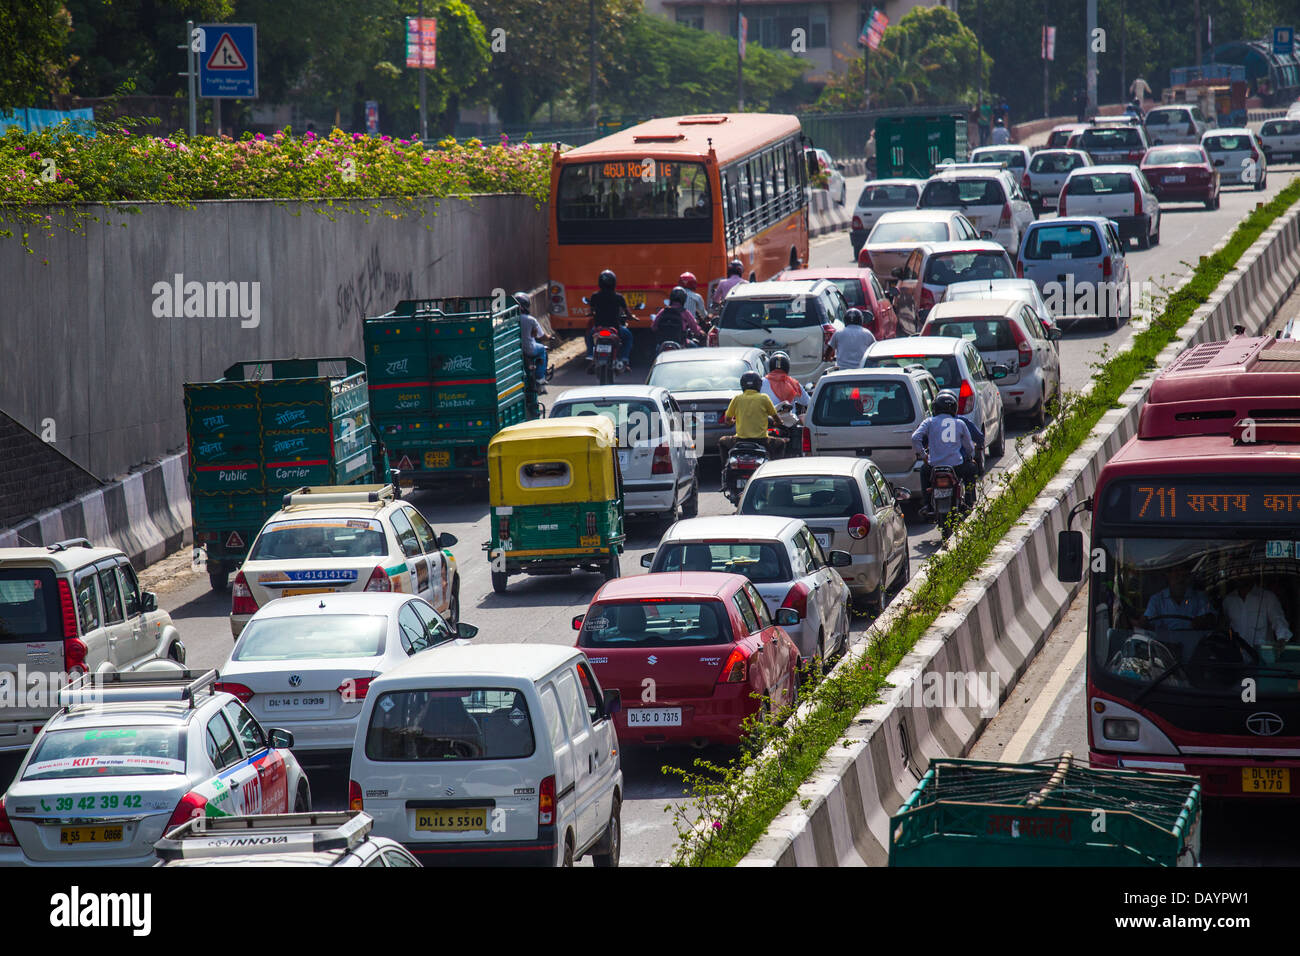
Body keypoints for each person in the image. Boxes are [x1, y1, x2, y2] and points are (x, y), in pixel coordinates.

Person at [910, 389, 977, 509]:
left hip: (934, 466)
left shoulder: (929, 422)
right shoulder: (960, 423)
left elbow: (915, 437)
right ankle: (968, 501)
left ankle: (927, 503)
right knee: (971, 469)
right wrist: (970, 456)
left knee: (924, 471)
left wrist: (924, 455)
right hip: (956, 466)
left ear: (935, 408)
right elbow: (969, 447)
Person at [719, 371, 785, 459]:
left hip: (739, 440)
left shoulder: (737, 399)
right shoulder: (764, 398)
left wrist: (732, 422)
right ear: (759, 384)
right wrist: (778, 422)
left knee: (722, 441)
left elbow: (727, 420)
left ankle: (724, 467)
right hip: (762, 441)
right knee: (781, 443)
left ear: (742, 385)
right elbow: (776, 419)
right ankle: (773, 468)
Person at [586, 269, 634, 371]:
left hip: (599, 328)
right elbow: (627, 312)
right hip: (614, 328)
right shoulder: (619, 297)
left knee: (589, 336)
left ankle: (590, 355)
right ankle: (624, 359)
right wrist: (631, 316)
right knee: (628, 337)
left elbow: (591, 310)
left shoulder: (595, 296)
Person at [1141, 564, 1214, 631]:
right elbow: (1148, 622)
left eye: (1184, 573)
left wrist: (1203, 621)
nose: (1180, 577)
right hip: (1163, 643)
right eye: (1176, 572)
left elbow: (1209, 619)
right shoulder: (1156, 600)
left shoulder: (1200, 598)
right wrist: (1143, 622)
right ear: (1168, 575)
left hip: (1195, 643)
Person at [1224, 580, 1293, 646]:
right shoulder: (1228, 600)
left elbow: (1277, 619)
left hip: (1262, 655)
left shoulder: (1267, 597)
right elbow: (1225, 625)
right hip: (1237, 654)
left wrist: (1282, 638)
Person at [514, 292, 555, 394]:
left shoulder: (511, 320)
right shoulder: (530, 320)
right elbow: (540, 336)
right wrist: (549, 337)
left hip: (516, 350)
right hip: (529, 349)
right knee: (542, 349)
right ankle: (540, 377)